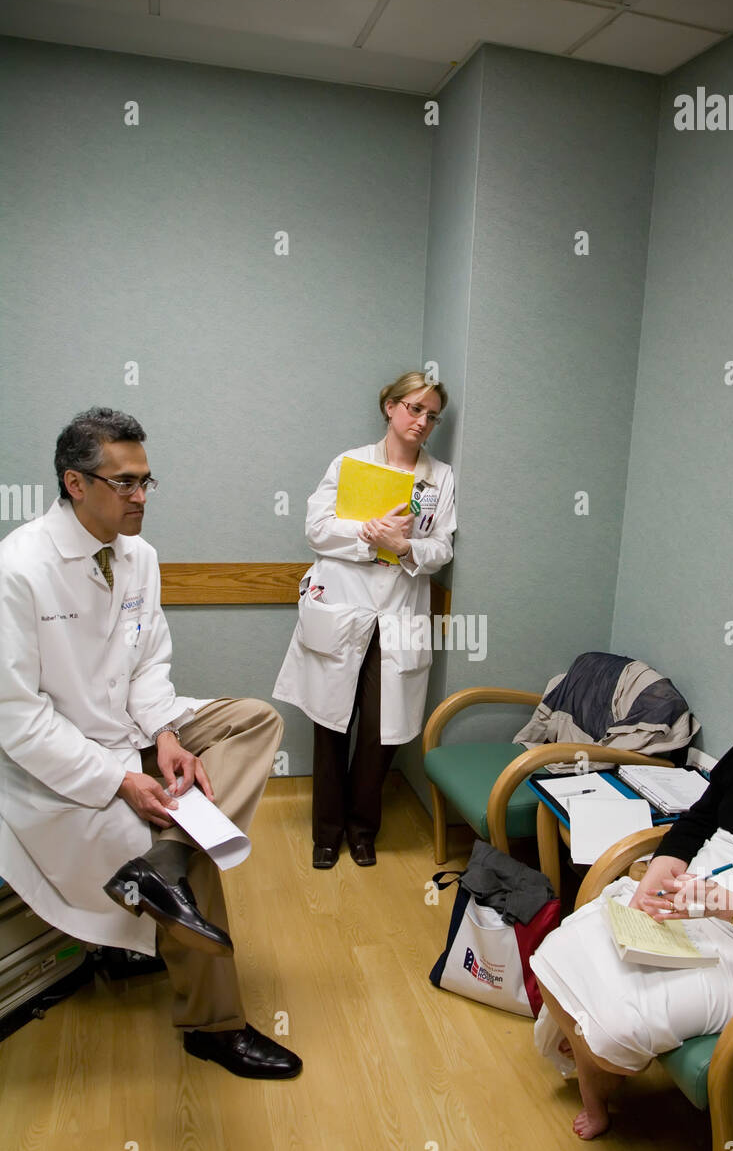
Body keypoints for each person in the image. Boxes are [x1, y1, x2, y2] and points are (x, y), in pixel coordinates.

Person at [0, 408, 301, 1080]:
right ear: (76, 485)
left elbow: (146, 664)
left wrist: (164, 734)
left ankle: (163, 863)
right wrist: (120, 780)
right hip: (60, 763)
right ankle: (213, 1026)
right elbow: (17, 717)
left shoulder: (141, 557)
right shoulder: (18, 569)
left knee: (254, 720)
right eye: (125, 483)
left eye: (147, 481)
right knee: (202, 860)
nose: (140, 497)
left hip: (132, 727)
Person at [530, 619, 733, 1139]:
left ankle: (605, 1084)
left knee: (620, 1017)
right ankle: (598, 1095)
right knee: (560, 950)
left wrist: (730, 906)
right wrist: (660, 873)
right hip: (700, 898)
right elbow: (697, 820)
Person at [273, 372, 456, 869]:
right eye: (415, 409)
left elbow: (441, 547)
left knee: (381, 730)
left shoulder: (441, 477)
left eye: (432, 415)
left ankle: (362, 829)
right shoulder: (351, 463)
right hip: (344, 607)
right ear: (390, 407)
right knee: (330, 723)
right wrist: (367, 534)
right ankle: (326, 834)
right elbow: (315, 528)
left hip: (400, 615)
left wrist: (407, 547)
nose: (423, 422)